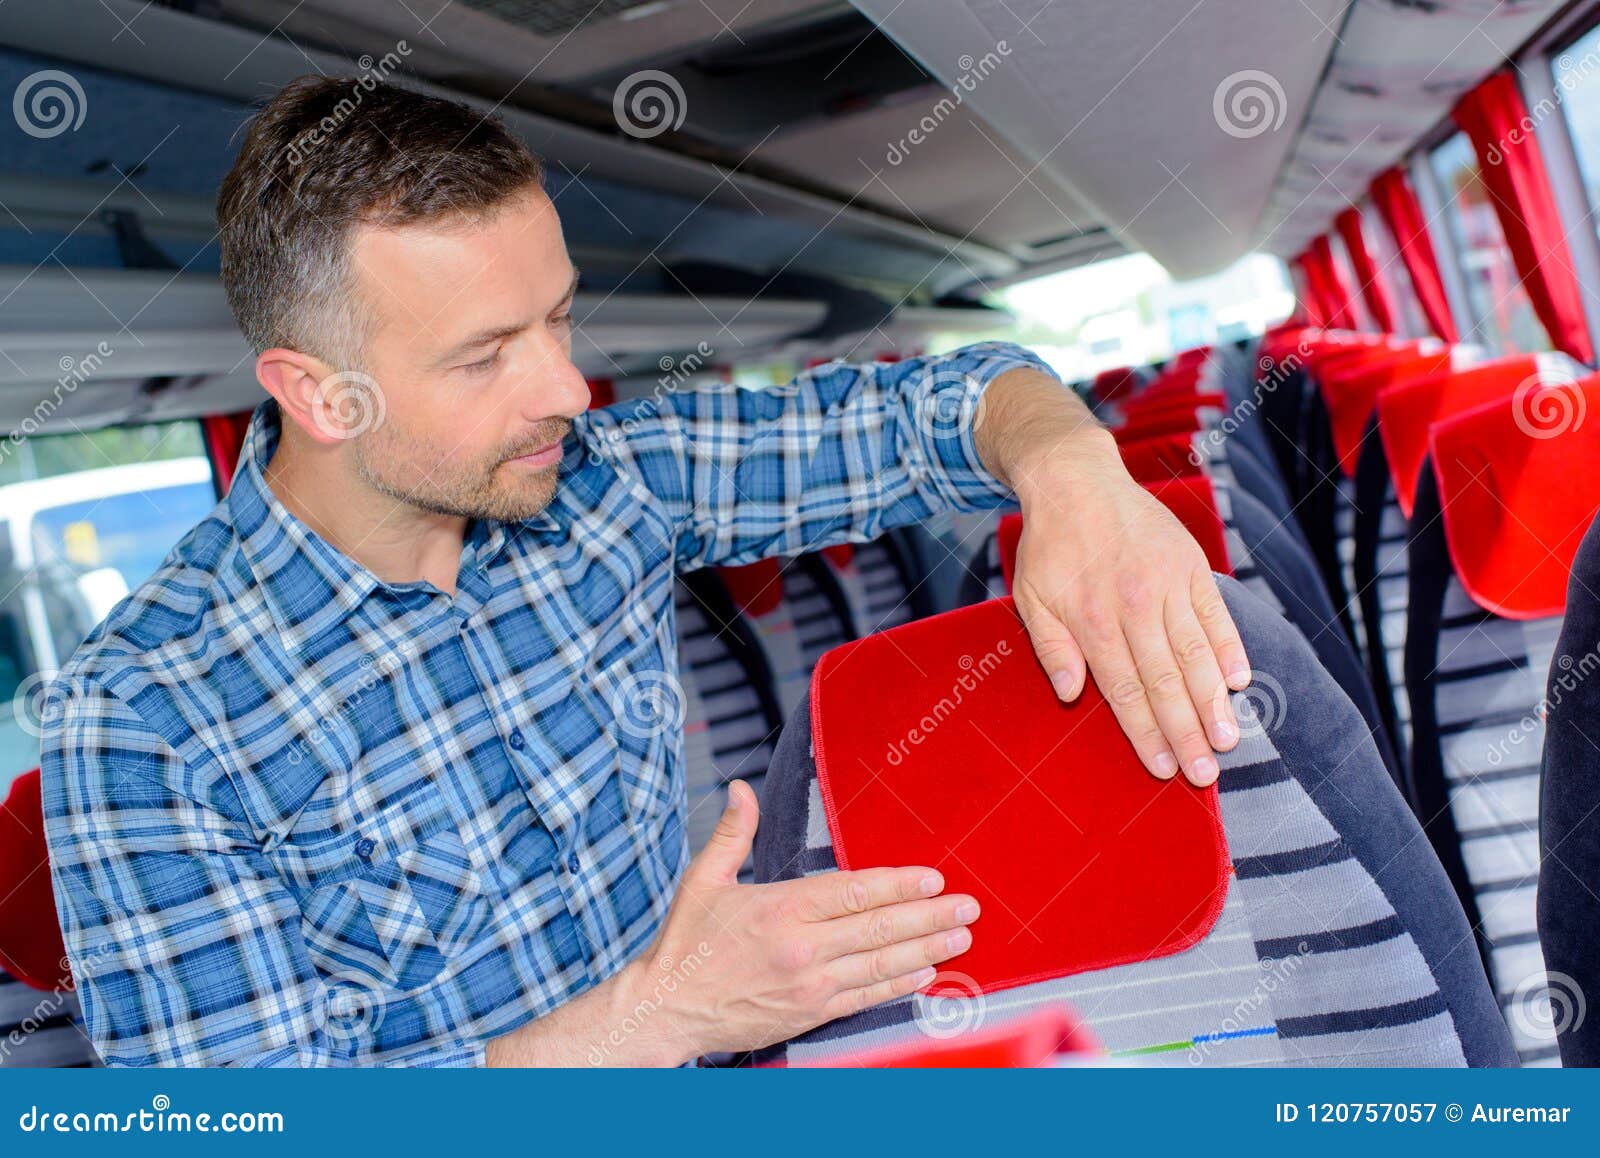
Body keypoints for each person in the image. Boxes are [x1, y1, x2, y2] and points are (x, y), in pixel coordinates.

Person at [39, 76, 1247, 1067]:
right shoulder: (146, 719)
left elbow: (941, 402)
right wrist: (663, 1017)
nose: (565, 388)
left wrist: (1079, 479)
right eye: (485, 356)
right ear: (315, 393)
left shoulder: (606, 486)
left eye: (558, 319)